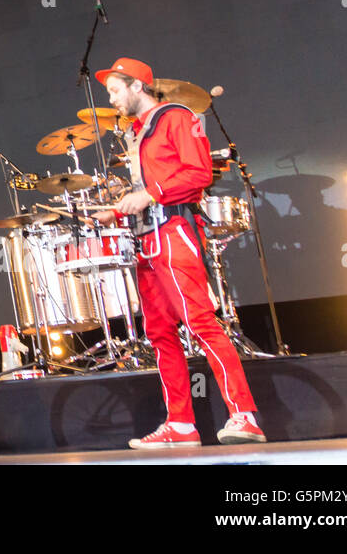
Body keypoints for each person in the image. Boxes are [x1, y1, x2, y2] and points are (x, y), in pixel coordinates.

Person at [95, 57, 265, 448]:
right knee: (159, 333)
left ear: (138, 86)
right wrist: (120, 208)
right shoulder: (137, 133)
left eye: (115, 91)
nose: (112, 99)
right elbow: (154, 184)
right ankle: (181, 424)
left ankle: (245, 415)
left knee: (200, 322)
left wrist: (149, 195)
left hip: (174, 231)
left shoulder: (176, 116)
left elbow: (198, 173)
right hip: (147, 237)